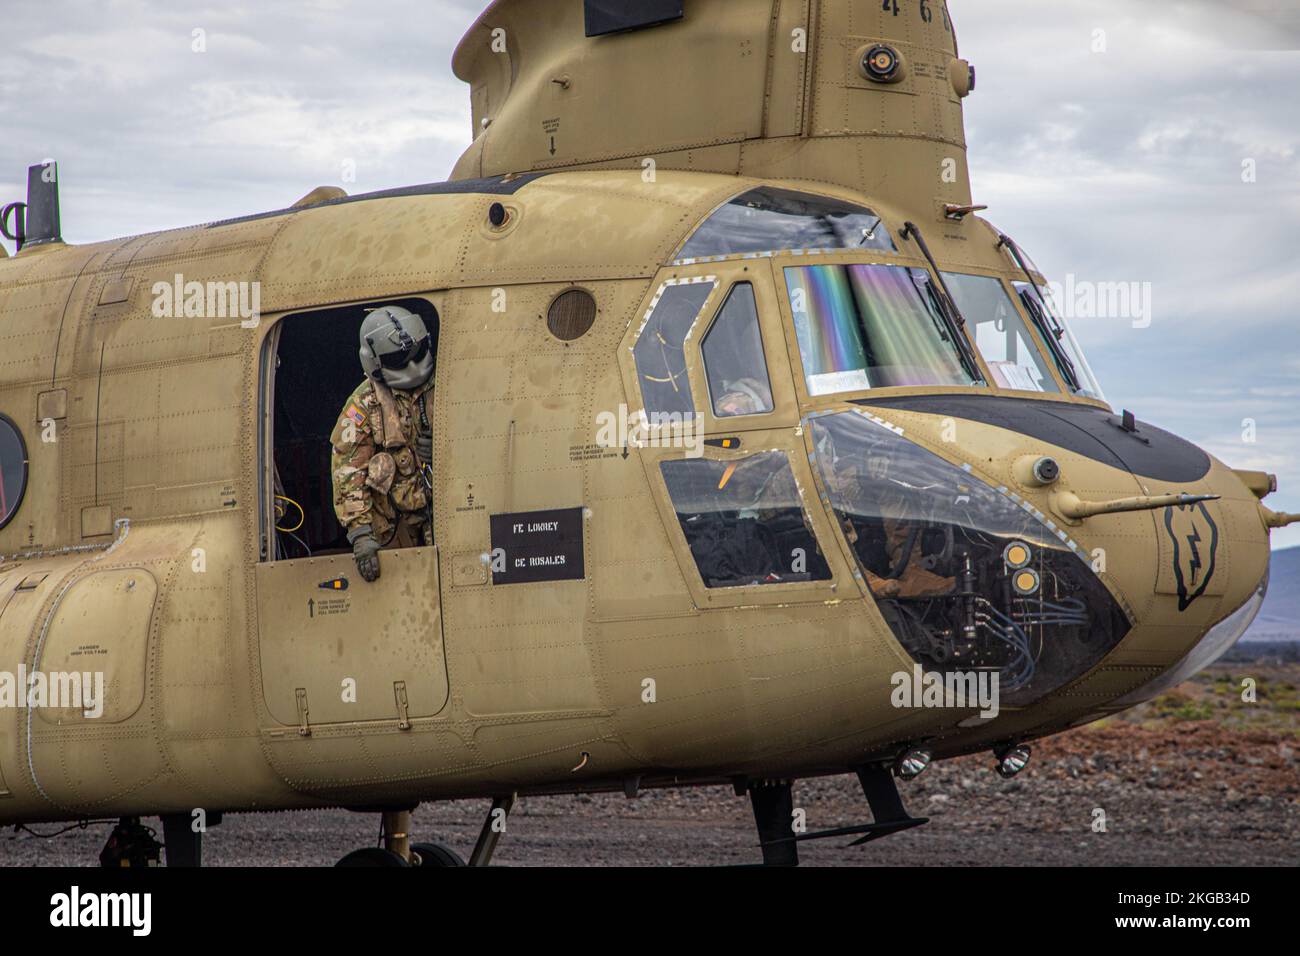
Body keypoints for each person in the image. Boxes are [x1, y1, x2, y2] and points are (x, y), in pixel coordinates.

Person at [330, 305, 436, 582]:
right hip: (397, 526)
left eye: (416, 352)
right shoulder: (365, 405)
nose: (412, 365)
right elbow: (347, 471)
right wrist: (361, 535)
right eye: (398, 358)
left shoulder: (445, 383)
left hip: (442, 512)